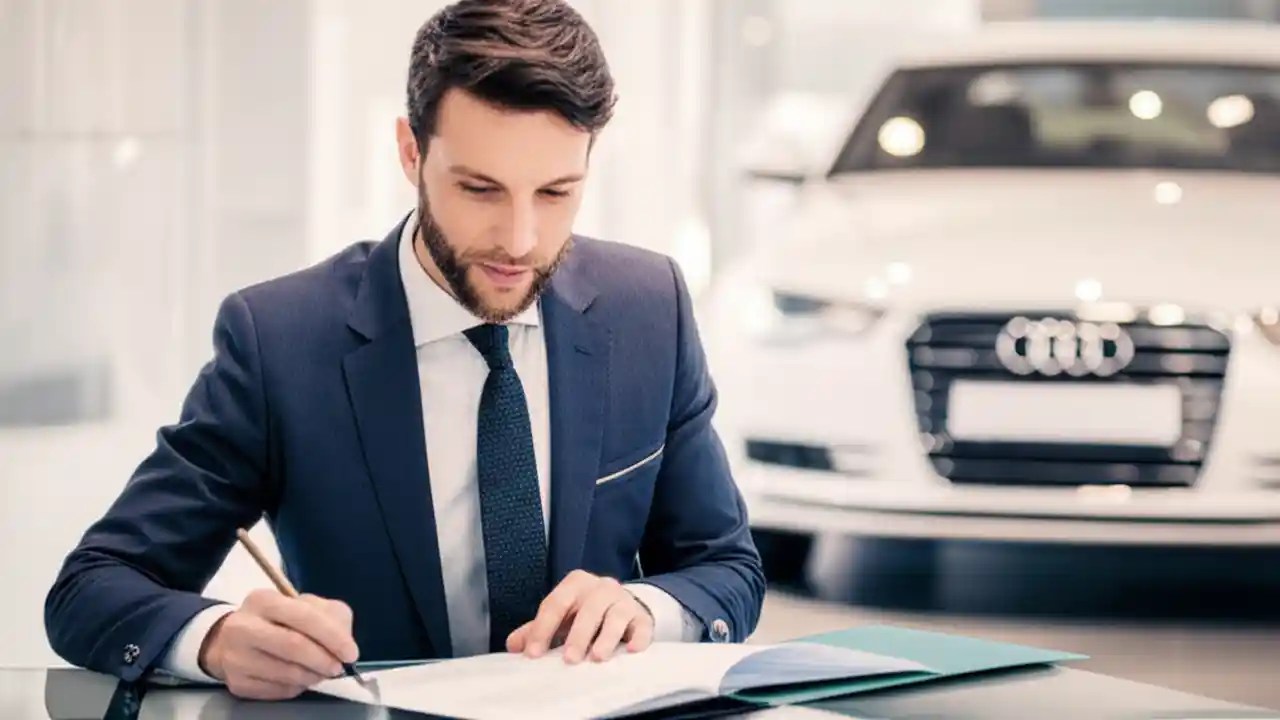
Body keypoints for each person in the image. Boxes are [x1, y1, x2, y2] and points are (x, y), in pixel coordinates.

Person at [43, 0, 764, 702]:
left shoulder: (648, 308)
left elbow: (724, 567)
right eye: (480, 189)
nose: (520, 239)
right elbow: (94, 586)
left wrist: (645, 609)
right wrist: (217, 639)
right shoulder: (282, 342)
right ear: (410, 151)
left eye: (555, 192)